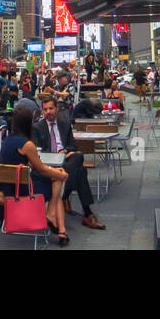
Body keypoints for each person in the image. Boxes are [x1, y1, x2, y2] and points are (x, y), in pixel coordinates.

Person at [0, 106, 70, 244]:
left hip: (8, 187)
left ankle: (60, 227)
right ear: (28, 123)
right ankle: (51, 215)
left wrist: (56, 172)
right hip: (23, 190)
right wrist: (59, 174)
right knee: (57, 180)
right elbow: (41, 169)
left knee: (55, 176)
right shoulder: (27, 144)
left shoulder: (7, 140)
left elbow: (36, 168)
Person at [32, 97, 104, 230]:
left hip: (65, 161)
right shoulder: (37, 127)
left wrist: (64, 152)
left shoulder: (64, 124)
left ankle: (65, 197)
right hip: (49, 167)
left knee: (77, 156)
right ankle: (86, 213)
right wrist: (54, 155)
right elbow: (37, 152)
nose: (48, 112)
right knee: (80, 170)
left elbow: (72, 145)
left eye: (51, 108)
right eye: (45, 109)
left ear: (57, 109)